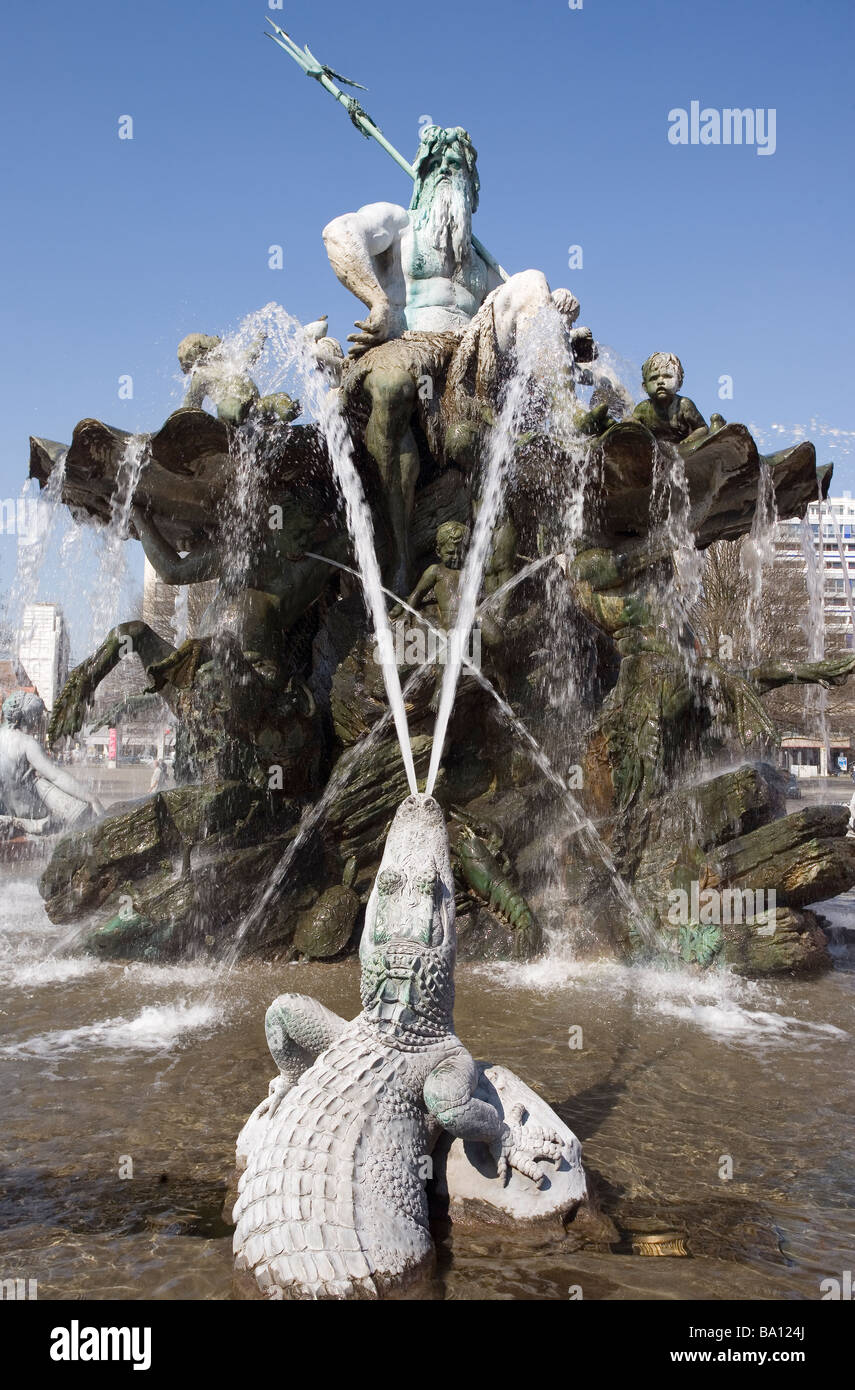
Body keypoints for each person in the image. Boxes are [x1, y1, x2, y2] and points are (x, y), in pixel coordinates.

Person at [0, 693, 103, 835]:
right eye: (36, 718)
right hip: (28, 812)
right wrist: (90, 797)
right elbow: (56, 776)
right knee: (76, 821)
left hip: (5, 809)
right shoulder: (26, 743)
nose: (37, 723)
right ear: (28, 717)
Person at [632, 352, 725, 446]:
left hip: (684, 444)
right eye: (654, 378)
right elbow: (631, 425)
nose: (660, 382)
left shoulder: (684, 405)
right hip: (661, 448)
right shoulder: (642, 408)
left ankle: (717, 423)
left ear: (679, 383)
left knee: (711, 439)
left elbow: (702, 428)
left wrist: (690, 439)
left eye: (667, 376)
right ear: (645, 387)